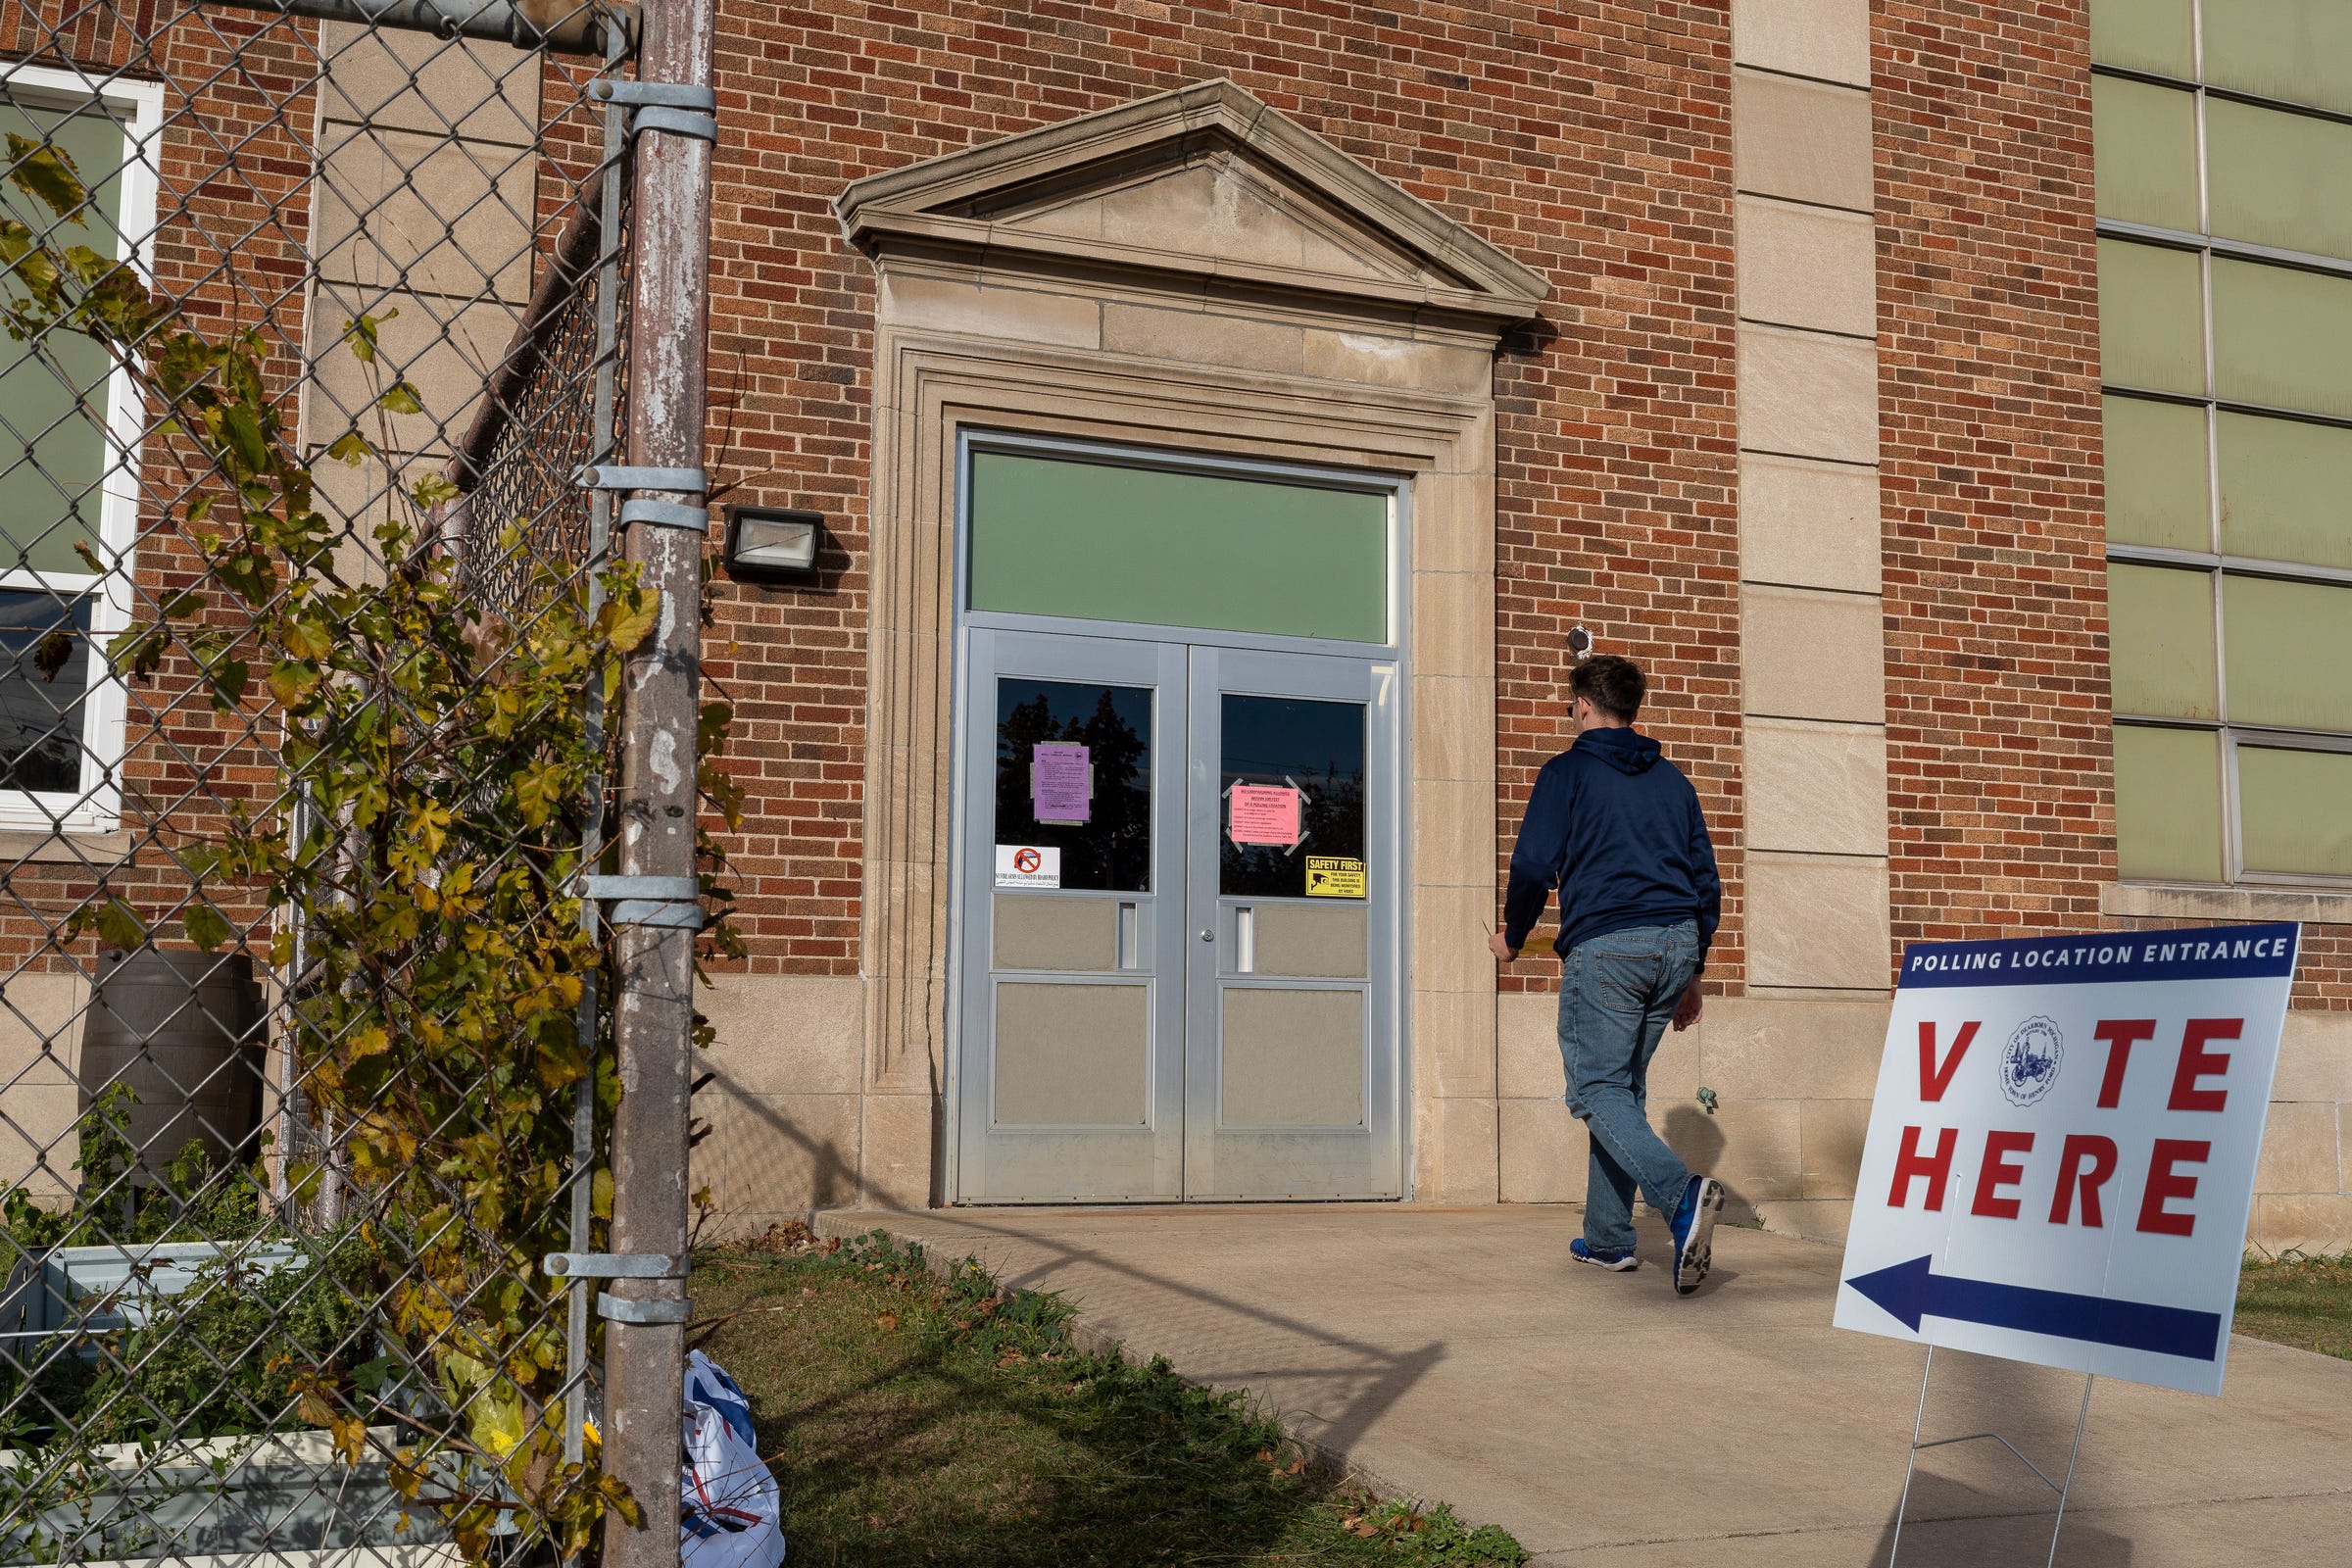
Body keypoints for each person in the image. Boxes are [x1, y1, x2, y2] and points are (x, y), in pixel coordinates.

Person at [1488, 654, 1726, 1295]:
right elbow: (1706, 882)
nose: (1570, 714)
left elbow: (1534, 864)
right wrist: (1691, 970)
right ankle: (1608, 1238)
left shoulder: (1567, 773)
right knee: (1622, 1092)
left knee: (1596, 1091)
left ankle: (1682, 1199)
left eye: (1571, 705)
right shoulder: (1673, 781)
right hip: (1675, 940)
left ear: (1585, 706)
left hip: (1609, 946)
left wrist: (1512, 937)